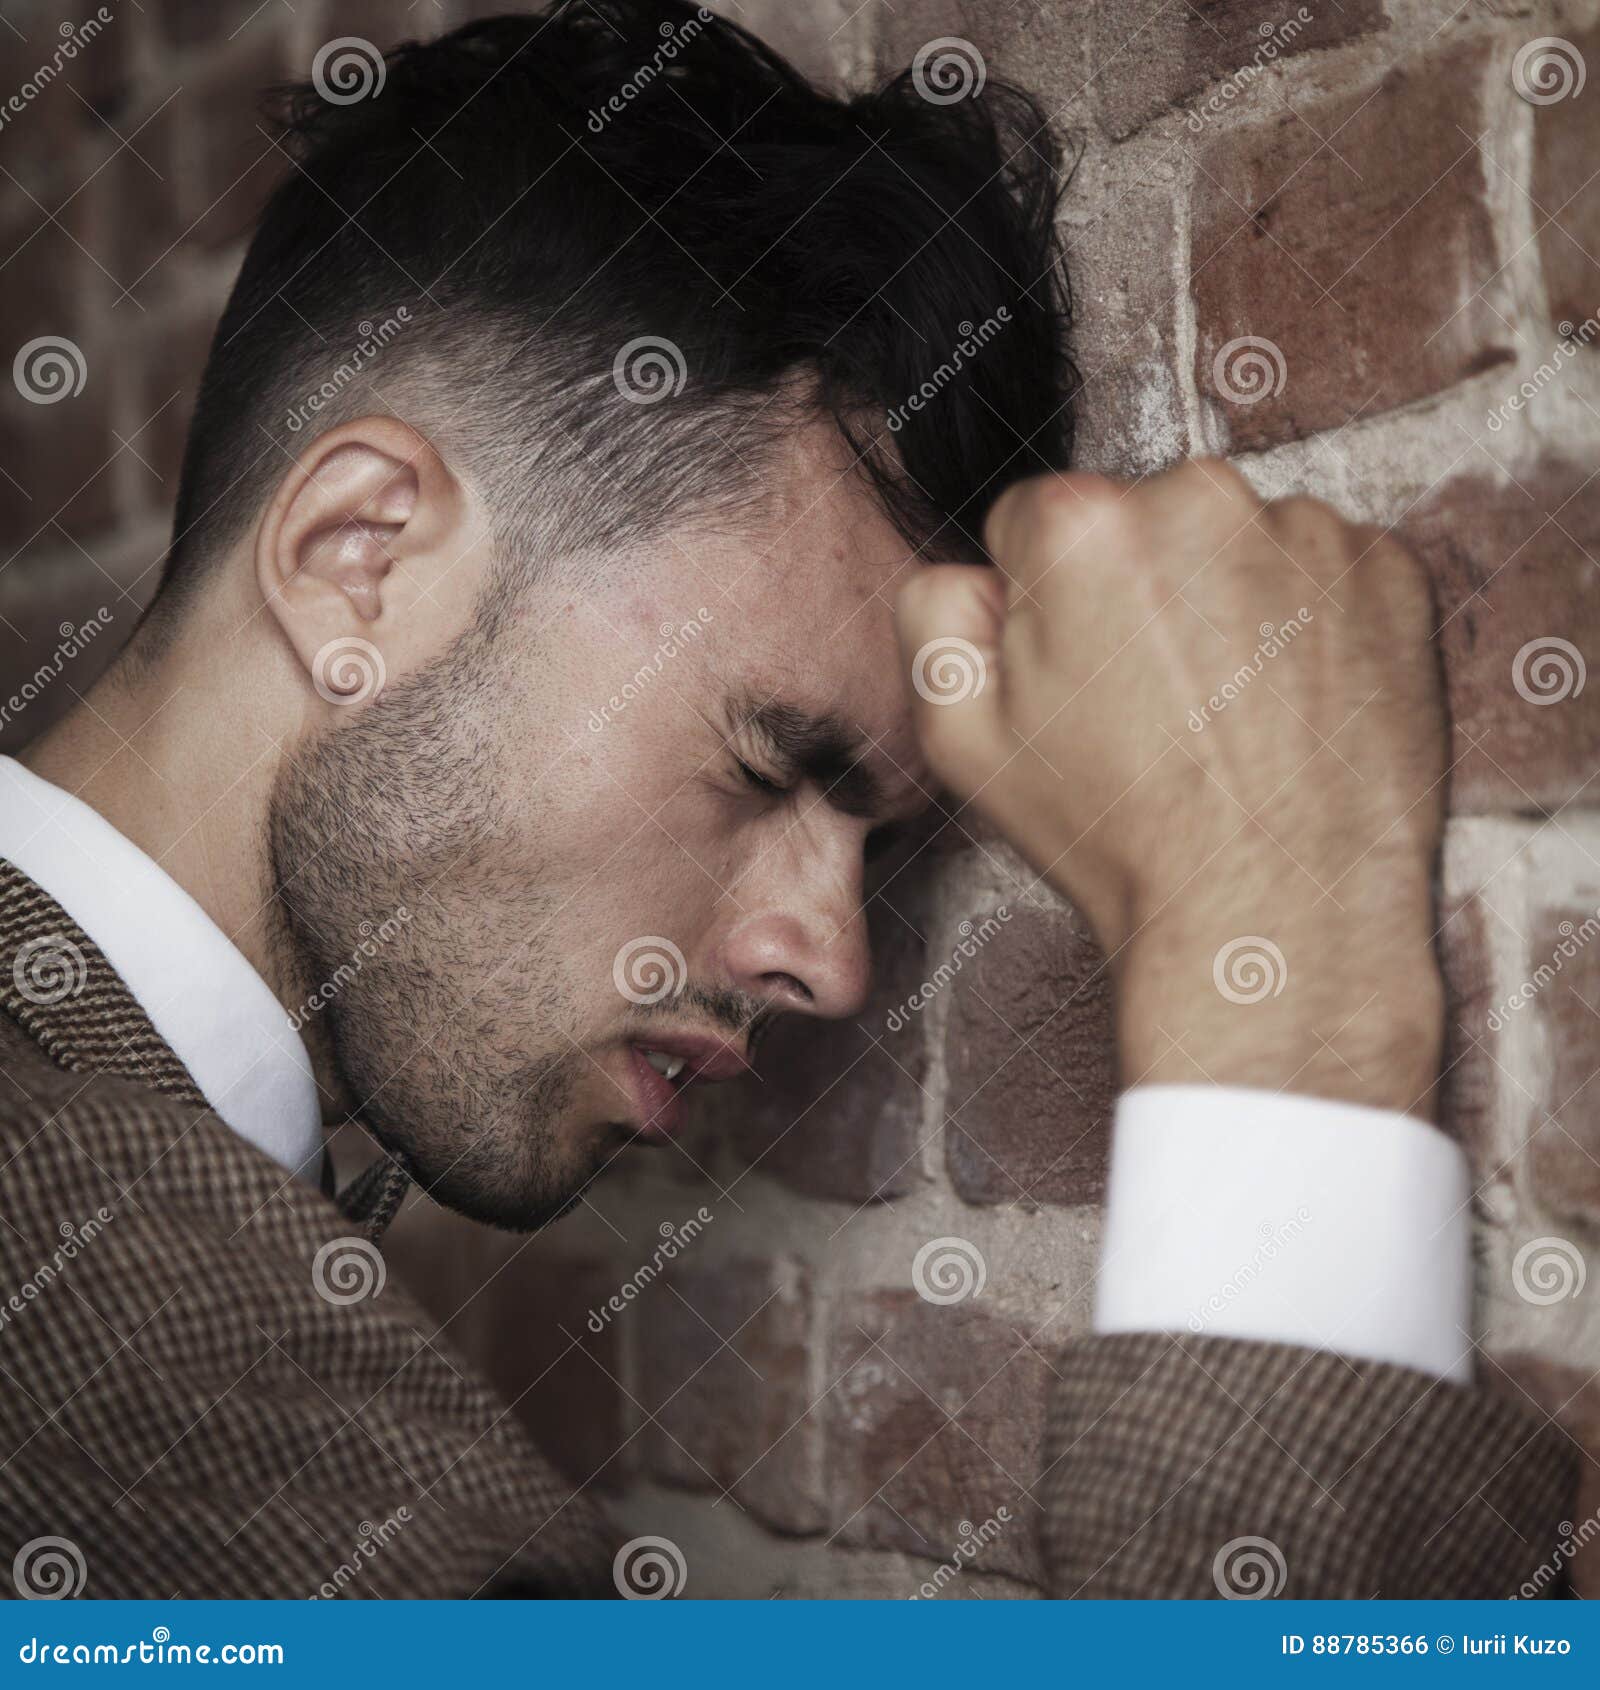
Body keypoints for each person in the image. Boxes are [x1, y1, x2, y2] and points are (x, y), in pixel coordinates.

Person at [0, 0, 1572, 1598]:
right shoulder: (99, 1287)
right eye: (767, 763)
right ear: (363, 562)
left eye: (873, 843)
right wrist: (1286, 991)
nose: (828, 960)